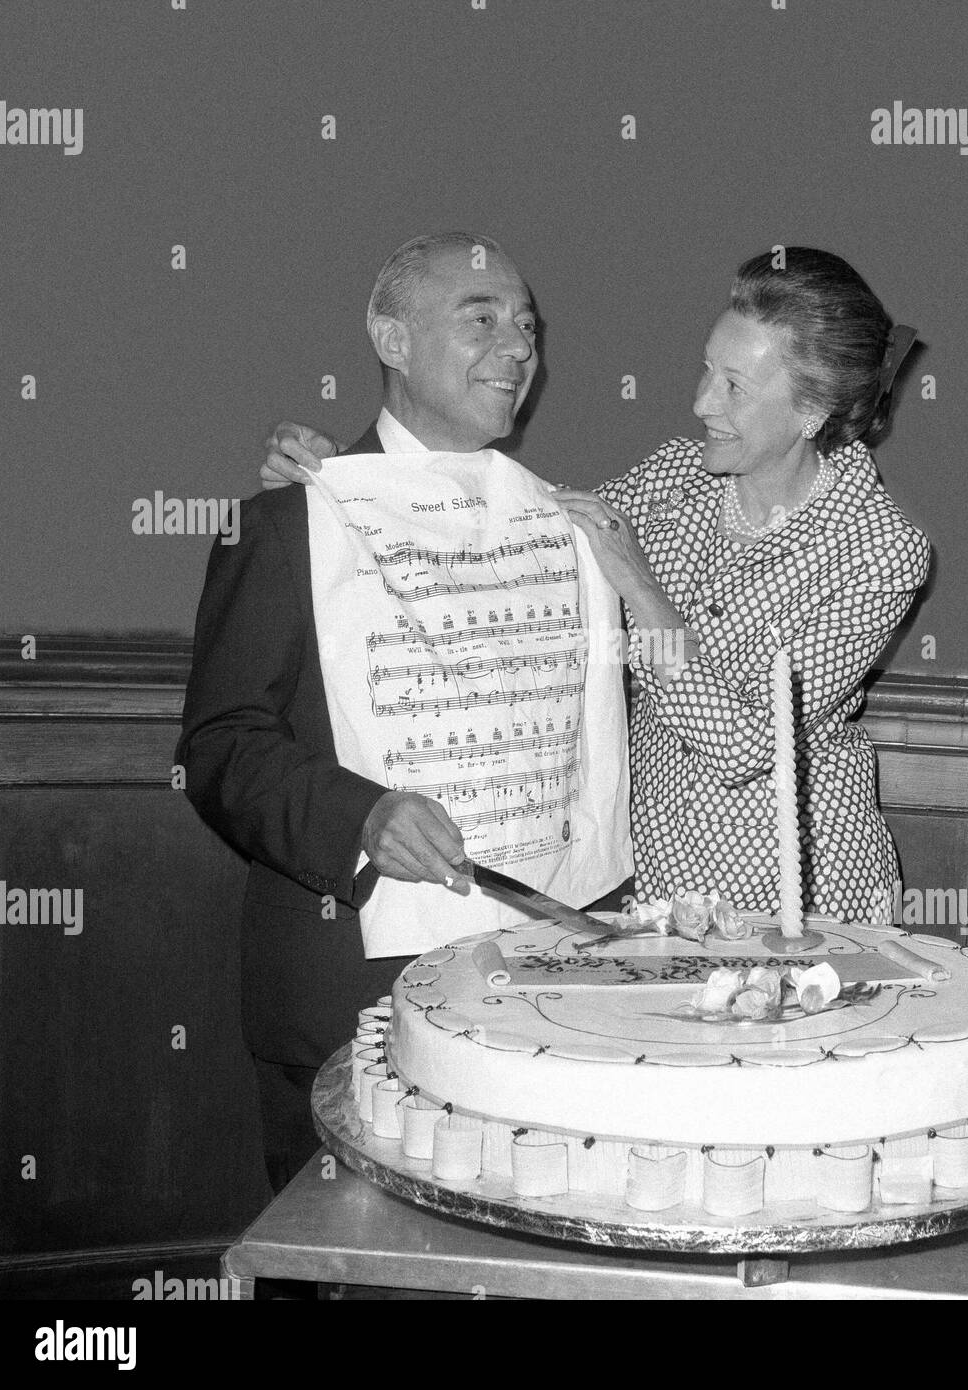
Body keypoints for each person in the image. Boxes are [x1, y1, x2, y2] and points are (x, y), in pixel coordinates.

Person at [263, 246, 930, 924]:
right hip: (659, 887)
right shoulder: (680, 474)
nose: (702, 402)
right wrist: (348, 486)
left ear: (812, 412)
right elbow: (519, 541)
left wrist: (639, 586)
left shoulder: (880, 550)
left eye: (735, 387)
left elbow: (746, 747)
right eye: (706, 370)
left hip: (798, 899)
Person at [180, 231, 626, 1192]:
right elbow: (220, 749)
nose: (518, 348)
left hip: (533, 986)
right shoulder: (288, 520)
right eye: (482, 319)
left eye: (528, 327)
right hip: (350, 988)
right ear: (389, 336)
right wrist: (360, 815)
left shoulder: (572, 528)